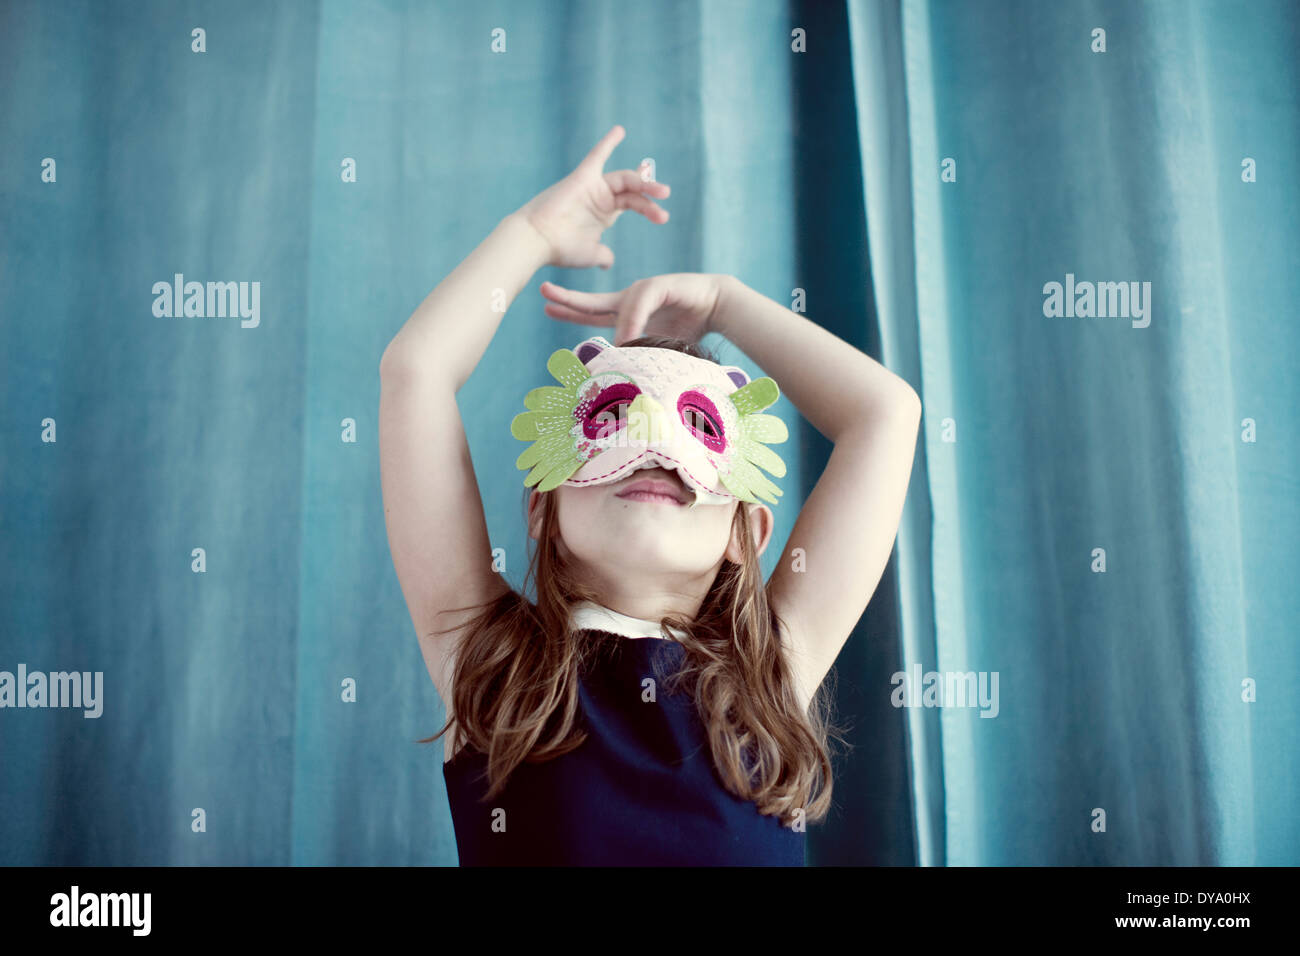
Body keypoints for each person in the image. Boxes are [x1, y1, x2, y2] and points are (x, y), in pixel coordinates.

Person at [378, 124, 922, 866]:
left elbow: (886, 416)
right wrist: (533, 232)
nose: (653, 442)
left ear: (747, 533)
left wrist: (725, 303)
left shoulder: (771, 682)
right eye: (609, 419)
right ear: (543, 512)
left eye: (696, 427)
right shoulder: (488, 669)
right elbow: (416, 371)